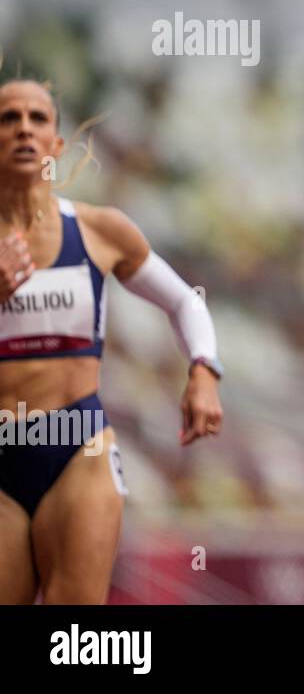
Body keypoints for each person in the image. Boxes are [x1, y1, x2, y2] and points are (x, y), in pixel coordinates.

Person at [0, 77, 225, 604]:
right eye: (9, 118)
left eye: (38, 118)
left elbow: (184, 300)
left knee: (76, 634)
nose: (25, 129)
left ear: (56, 144)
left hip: (78, 446)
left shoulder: (101, 231)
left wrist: (204, 370)